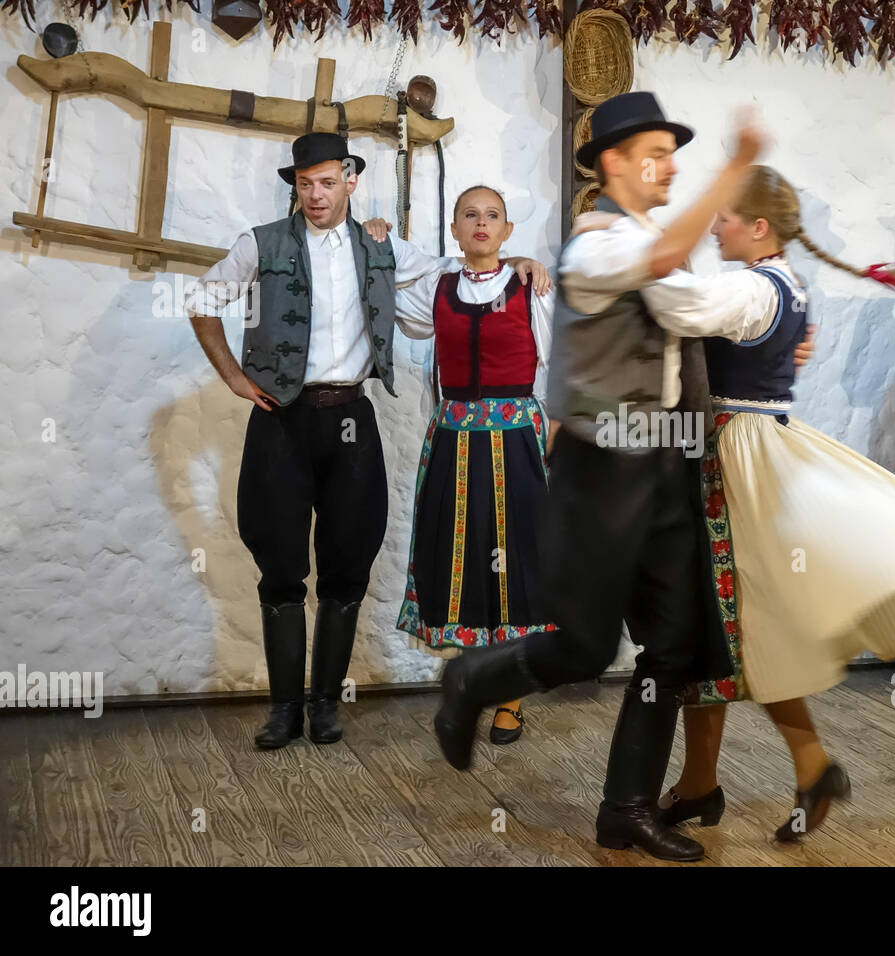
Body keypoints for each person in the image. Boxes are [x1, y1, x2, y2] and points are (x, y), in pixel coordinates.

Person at [624, 165, 895, 841]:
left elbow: (674, 306)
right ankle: (720, 779)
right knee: (729, 629)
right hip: (757, 443)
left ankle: (787, 770)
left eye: (724, 216)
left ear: (758, 227)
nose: (716, 227)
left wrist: (625, 244)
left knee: (728, 624)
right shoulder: (785, 281)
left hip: (733, 455)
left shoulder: (749, 285)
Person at [432, 92, 775, 862]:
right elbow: (663, 274)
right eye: (657, 152)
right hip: (601, 467)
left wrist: (775, 296)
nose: (672, 166)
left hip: (662, 463)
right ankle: (471, 681)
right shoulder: (594, 245)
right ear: (613, 163)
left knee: (675, 647)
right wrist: (738, 165)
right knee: (584, 650)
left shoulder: (659, 245)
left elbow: (700, 308)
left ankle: (625, 809)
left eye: (675, 153)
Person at [185, 132, 544, 749]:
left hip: (351, 418)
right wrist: (235, 379)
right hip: (280, 420)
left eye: (328, 181)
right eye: (305, 183)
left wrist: (517, 262)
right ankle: (283, 709)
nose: (316, 194)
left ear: (350, 181)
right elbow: (200, 299)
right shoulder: (260, 243)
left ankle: (325, 706)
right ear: (294, 186)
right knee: (279, 567)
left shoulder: (382, 247)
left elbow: (463, 270)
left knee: (348, 566)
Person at [363, 185, 555, 746]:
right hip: (452, 438)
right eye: (469, 214)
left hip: (518, 438)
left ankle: (512, 698)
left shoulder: (529, 285)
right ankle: (473, 682)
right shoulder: (440, 287)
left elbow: (556, 362)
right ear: (454, 229)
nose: (480, 223)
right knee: (462, 557)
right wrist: (378, 237)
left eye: (492, 215)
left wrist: (556, 439)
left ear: (507, 230)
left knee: (515, 557)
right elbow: (394, 298)